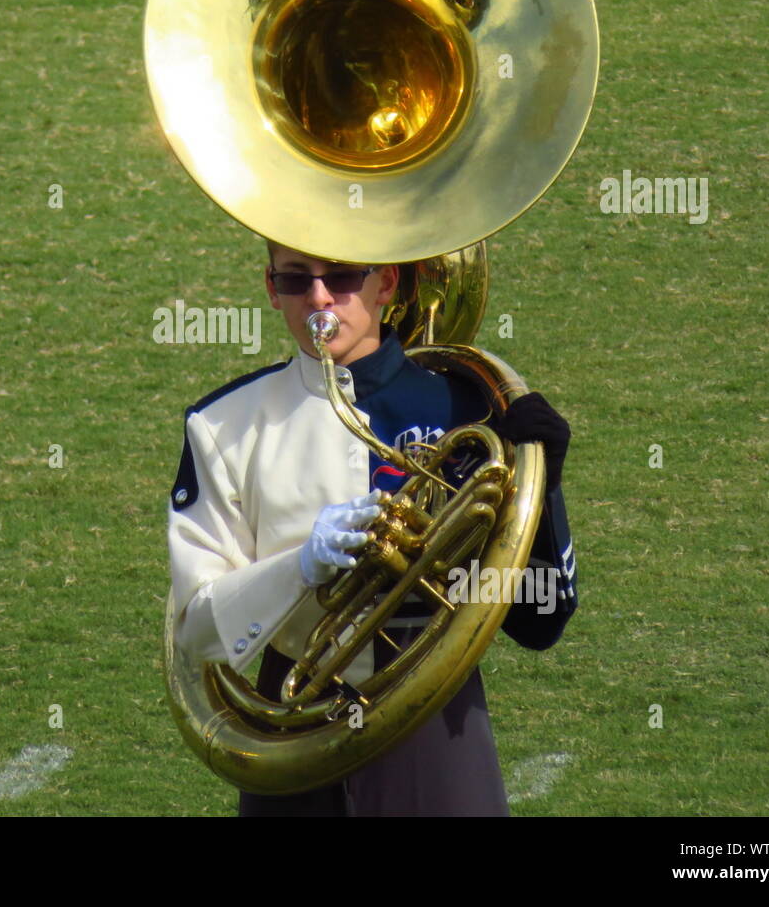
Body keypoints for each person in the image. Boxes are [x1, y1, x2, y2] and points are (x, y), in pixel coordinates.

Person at [166, 240, 578, 816]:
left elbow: (542, 622)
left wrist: (544, 489)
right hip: (289, 723)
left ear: (384, 284)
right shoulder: (223, 425)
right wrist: (300, 567)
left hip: (435, 719)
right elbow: (197, 631)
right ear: (270, 289)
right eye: (294, 280)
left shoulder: (470, 408)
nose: (318, 298)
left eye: (341, 276)